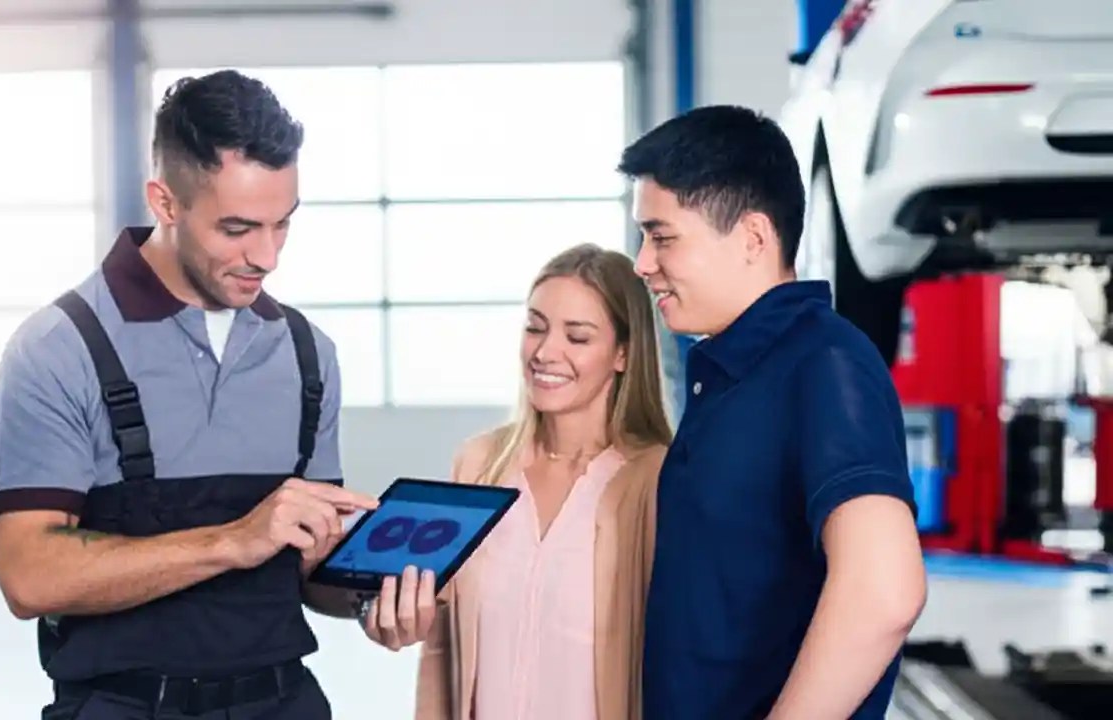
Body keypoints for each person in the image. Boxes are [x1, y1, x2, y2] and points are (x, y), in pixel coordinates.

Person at [0, 70, 398, 719]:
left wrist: (373, 598)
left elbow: (309, 569)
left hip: (285, 702)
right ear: (165, 202)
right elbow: (29, 575)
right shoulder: (57, 350)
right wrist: (233, 540)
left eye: (282, 224)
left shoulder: (307, 354)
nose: (267, 257)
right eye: (237, 228)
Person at [621, 104, 928, 719]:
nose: (642, 264)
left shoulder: (824, 363)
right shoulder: (734, 378)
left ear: (753, 238)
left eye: (662, 237)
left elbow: (884, 590)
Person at [361, 243, 675, 720]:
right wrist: (385, 614)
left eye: (578, 336)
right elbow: (440, 649)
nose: (546, 352)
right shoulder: (480, 465)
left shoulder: (654, 478)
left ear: (623, 354)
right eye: (535, 327)